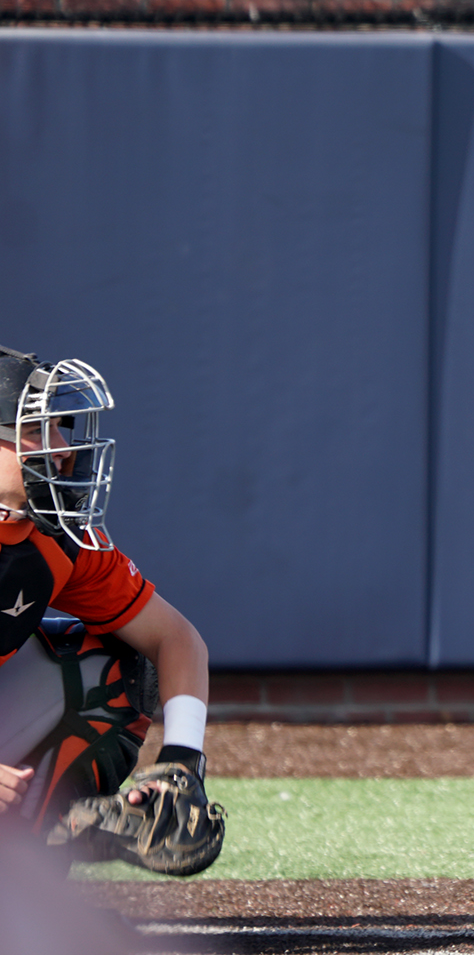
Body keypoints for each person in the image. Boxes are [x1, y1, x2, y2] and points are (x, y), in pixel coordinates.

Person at [0, 345, 223, 876]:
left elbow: (175, 640)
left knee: (114, 669)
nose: (60, 449)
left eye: (60, 429)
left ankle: (31, 854)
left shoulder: (54, 539)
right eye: (34, 430)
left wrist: (182, 763)